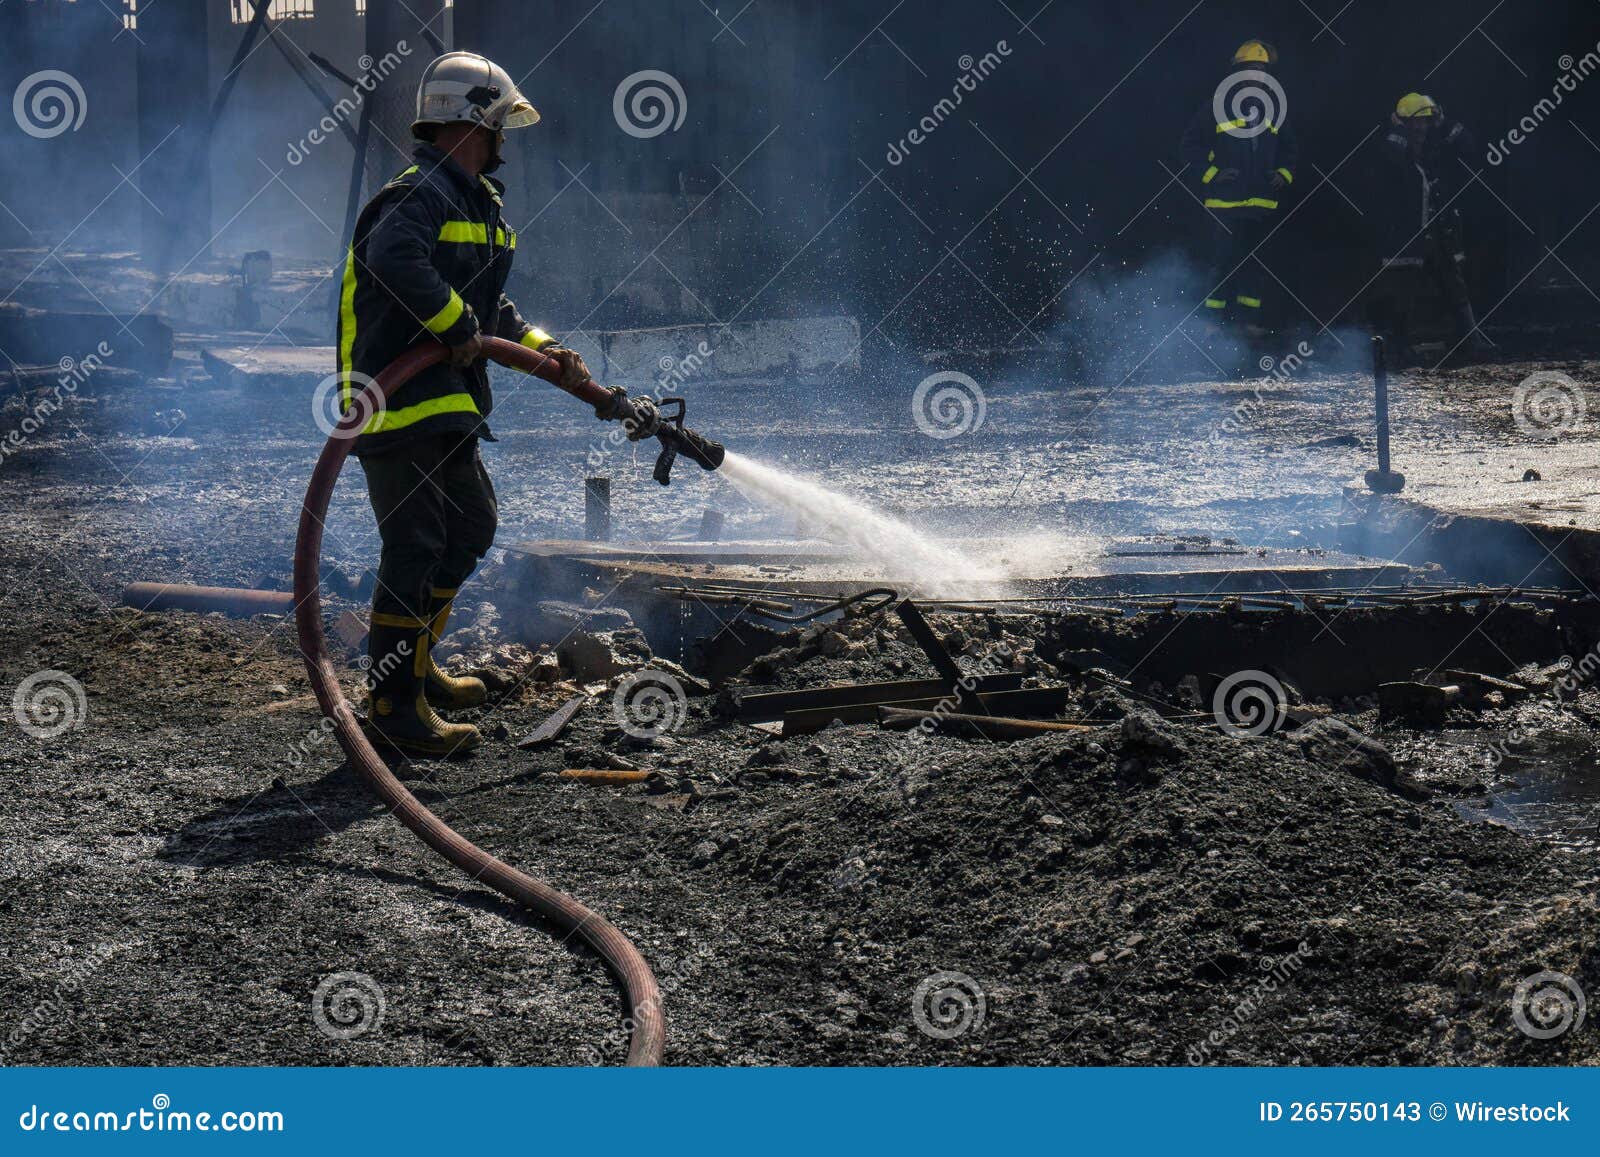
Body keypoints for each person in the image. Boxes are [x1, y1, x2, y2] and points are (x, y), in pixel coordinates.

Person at [335, 51, 589, 758]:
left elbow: (488, 312)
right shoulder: (419, 195)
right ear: (472, 122)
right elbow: (395, 261)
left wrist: (547, 350)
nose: (504, 138)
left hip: (446, 402)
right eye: (499, 124)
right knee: (415, 545)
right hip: (393, 401)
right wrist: (455, 329)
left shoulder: (476, 201)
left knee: (471, 526)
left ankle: (414, 671)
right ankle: (393, 706)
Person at [1180, 40, 1298, 335]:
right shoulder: (1216, 107)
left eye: (1262, 70)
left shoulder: (1273, 110)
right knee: (1222, 264)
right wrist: (1213, 173)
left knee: (1255, 267)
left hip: (1261, 206)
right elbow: (1190, 146)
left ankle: (1248, 325)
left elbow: (1291, 148)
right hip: (1225, 205)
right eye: (1251, 69)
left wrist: (1283, 173)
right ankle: (1211, 326)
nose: (1256, 75)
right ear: (1237, 72)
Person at [1378, 92, 1488, 358]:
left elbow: (1468, 146)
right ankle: (1398, 345)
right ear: (1403, 123)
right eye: (1416, 122)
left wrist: (1444, 122)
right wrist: (1398, 129)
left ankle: (1470, 340)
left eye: (1426, 122)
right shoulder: (1394, 145)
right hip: (1407, 231)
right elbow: (1393, 155)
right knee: (1404, 289)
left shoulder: (1436, 146)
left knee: (1454, 284)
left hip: (1439, 229)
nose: (1421, 128)